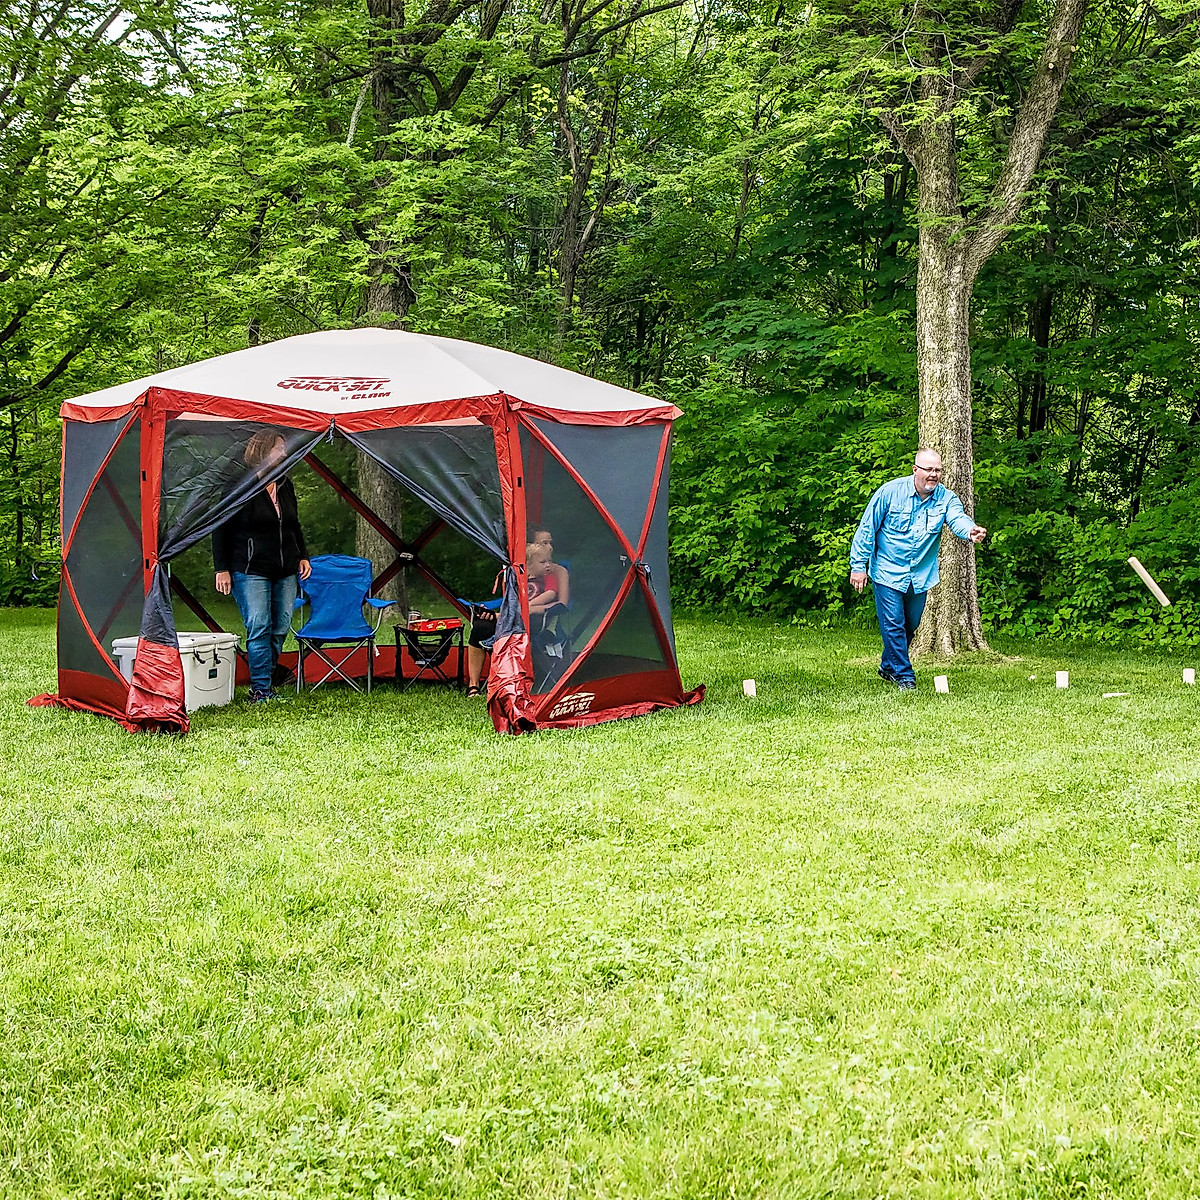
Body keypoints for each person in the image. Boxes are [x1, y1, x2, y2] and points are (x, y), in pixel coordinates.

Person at [849, 448, 986, 690]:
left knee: (909, 626)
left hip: (920, 576)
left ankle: (888, 667)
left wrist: (970, 530)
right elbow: (867, 528)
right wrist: (858, 566)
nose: (933, 475)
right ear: (915, 470)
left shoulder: (946, 498)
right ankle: (905, 677)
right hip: (887, 572)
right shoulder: (889, 493)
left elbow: (957, 518)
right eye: (928, 469)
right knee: (893, 624)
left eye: (937, 470)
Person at [213, 430, 311, 703]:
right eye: (278, 448)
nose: (283, 453)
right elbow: (220, 526)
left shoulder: (284, 484)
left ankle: (266, 682)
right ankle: (261, 691)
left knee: (280, 627)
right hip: (250, 568)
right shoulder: (239, 485)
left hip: (286, 568)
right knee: (259, 625)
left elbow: (293, 524)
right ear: (262, 451)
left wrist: (303, 555)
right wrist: (221, 568)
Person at [465, 540, 559, 698]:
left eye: (549, 561)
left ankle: (498, 624)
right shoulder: (516, 579)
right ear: (528, 564)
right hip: (511, 619)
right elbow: (509, 603)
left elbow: (551, 595)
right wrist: (499, 613)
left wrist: (523, 607)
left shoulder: (548, 578)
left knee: (513, 619)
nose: (548, 565)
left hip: (533, 622)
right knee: (480, 627)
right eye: (543, 562)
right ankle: (473, 685)